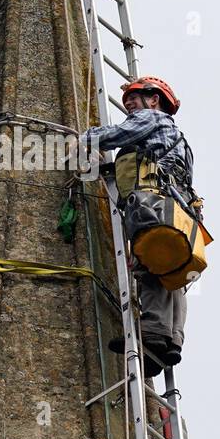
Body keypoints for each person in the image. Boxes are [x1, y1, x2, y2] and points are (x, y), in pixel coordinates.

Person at [80, 76, 196, 375]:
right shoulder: (178, 139)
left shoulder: (152, 118)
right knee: (173, 273)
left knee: (149, 262)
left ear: (154, 99)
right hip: (179, 211)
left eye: (133, 97)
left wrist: (83, 138)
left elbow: (117, 134)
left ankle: (155, 330)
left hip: (153, 203)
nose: (128, 104)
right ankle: (168, 341)